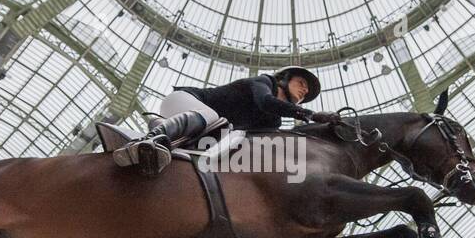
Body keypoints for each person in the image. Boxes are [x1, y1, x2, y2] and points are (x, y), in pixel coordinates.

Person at [113, 66, 341, 176]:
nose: (304, 90)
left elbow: (250, 143)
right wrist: (309, 114)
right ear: (285, 78)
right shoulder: (262, 83)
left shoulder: (274, 122)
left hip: (204, 131)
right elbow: (265, 102)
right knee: (217, 121)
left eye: (307, 91)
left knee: (224, 140)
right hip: (183, 101)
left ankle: (166, 148)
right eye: (302, 83)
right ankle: (147, 141)